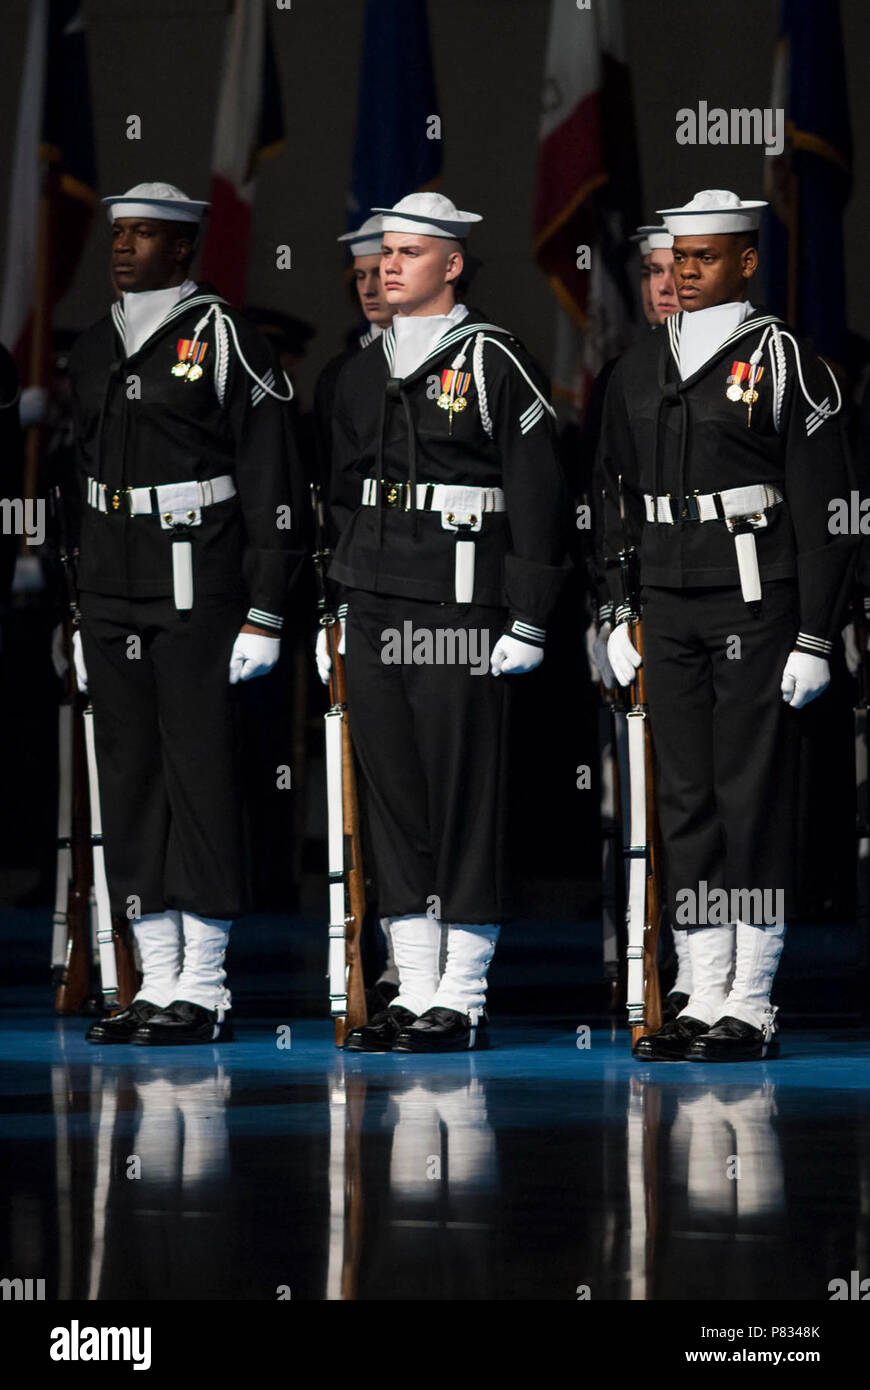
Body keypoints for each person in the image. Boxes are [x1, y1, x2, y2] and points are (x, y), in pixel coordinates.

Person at [598, 189, 856, 1061]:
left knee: (753, 796)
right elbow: (610, 499)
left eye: (706, 258)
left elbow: (827, 507)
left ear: (747, 261)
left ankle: (751, 995)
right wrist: (618, 607)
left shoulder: (786, 360)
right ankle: (701, 987)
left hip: (755, 597)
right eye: (676, 259)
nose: (685, 273)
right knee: (685, 798)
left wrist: (817, 632)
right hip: (668, 600)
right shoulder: (638, 364)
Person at [318, 191, 569, 1052]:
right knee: (394, 798)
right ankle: (413, 982)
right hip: (376, 601)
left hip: (460, 603)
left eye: (410, 254)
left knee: (463, 794)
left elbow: (538, 492)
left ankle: (460, 992)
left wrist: (529, 614)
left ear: (452, 265)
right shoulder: (360, 368)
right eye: (385, 253)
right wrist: (337, 609)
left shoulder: (498, 360)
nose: (389, 266)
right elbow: (342, 499)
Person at [69, 182, 306, 1045]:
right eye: (119, 231)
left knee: (198, 778)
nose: (125, 247)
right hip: (110, 587)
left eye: (146, 235)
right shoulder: (94, 347)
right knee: (128, 781)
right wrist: (78, 604)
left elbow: (272, 478)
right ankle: (150, 973)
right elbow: (80, 480)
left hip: (195, 582)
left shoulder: (227, 339)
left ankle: (203, 984)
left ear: (184, 250)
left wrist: (266, 610)